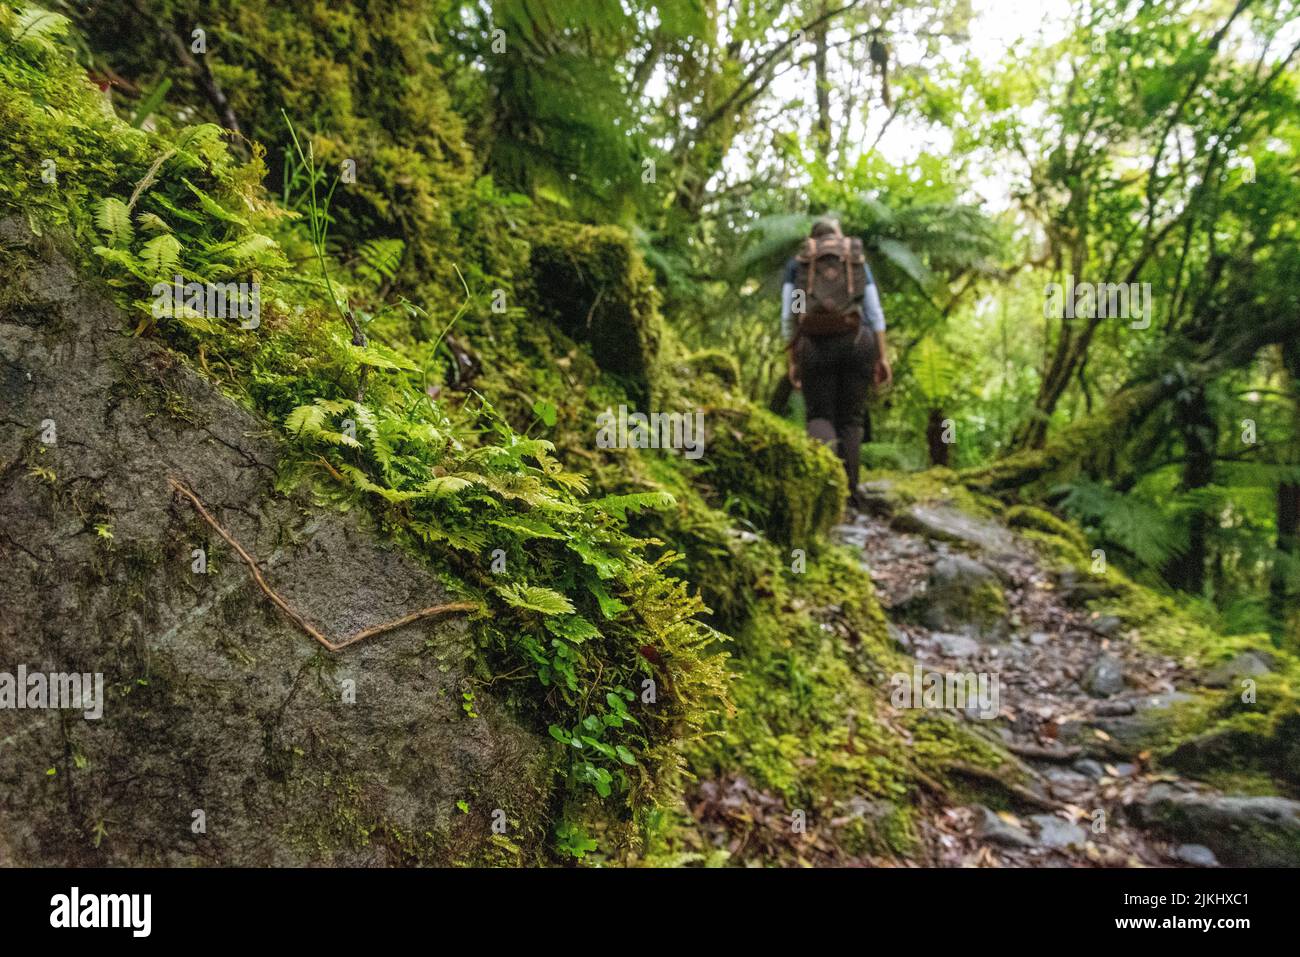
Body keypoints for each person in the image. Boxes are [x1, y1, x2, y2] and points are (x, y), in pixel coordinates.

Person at [780, 218, 892, 505]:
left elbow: (789, 314)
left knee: (819, 416)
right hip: (857, 342)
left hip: (814, 347)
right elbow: (874, 311)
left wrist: (793, 358)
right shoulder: (854, 260)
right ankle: (850, 495)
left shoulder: (800, 264)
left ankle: (826, 494)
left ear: (812, 240)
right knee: (851, 420)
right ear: (838, 237)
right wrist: (882, 356)